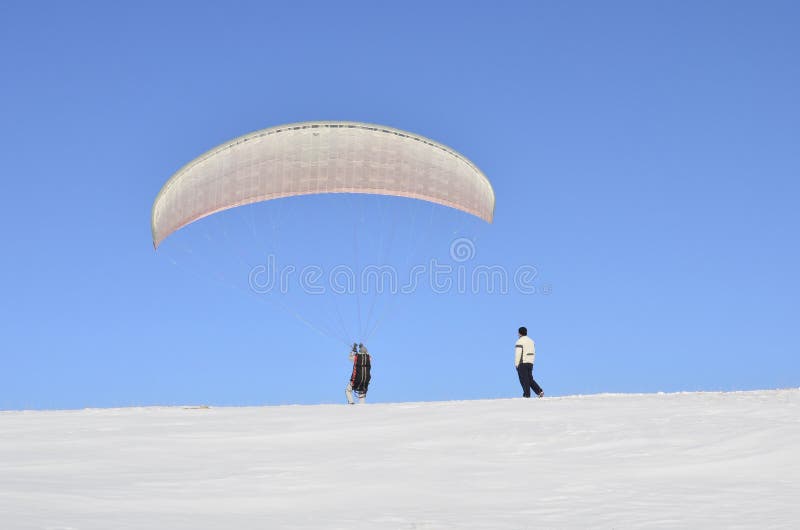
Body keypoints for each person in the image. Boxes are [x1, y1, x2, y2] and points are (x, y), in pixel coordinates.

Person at [515, 326, 543, 398]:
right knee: (530, 379)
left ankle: (526, 395)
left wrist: (516, 364)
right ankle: (539, 391)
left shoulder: (519, 341)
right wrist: (532, 361)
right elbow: (533, 351)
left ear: (520, 333)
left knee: (524, 379)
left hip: (522, 362)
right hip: (530, 362)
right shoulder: (531, 341)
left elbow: (518, 353)